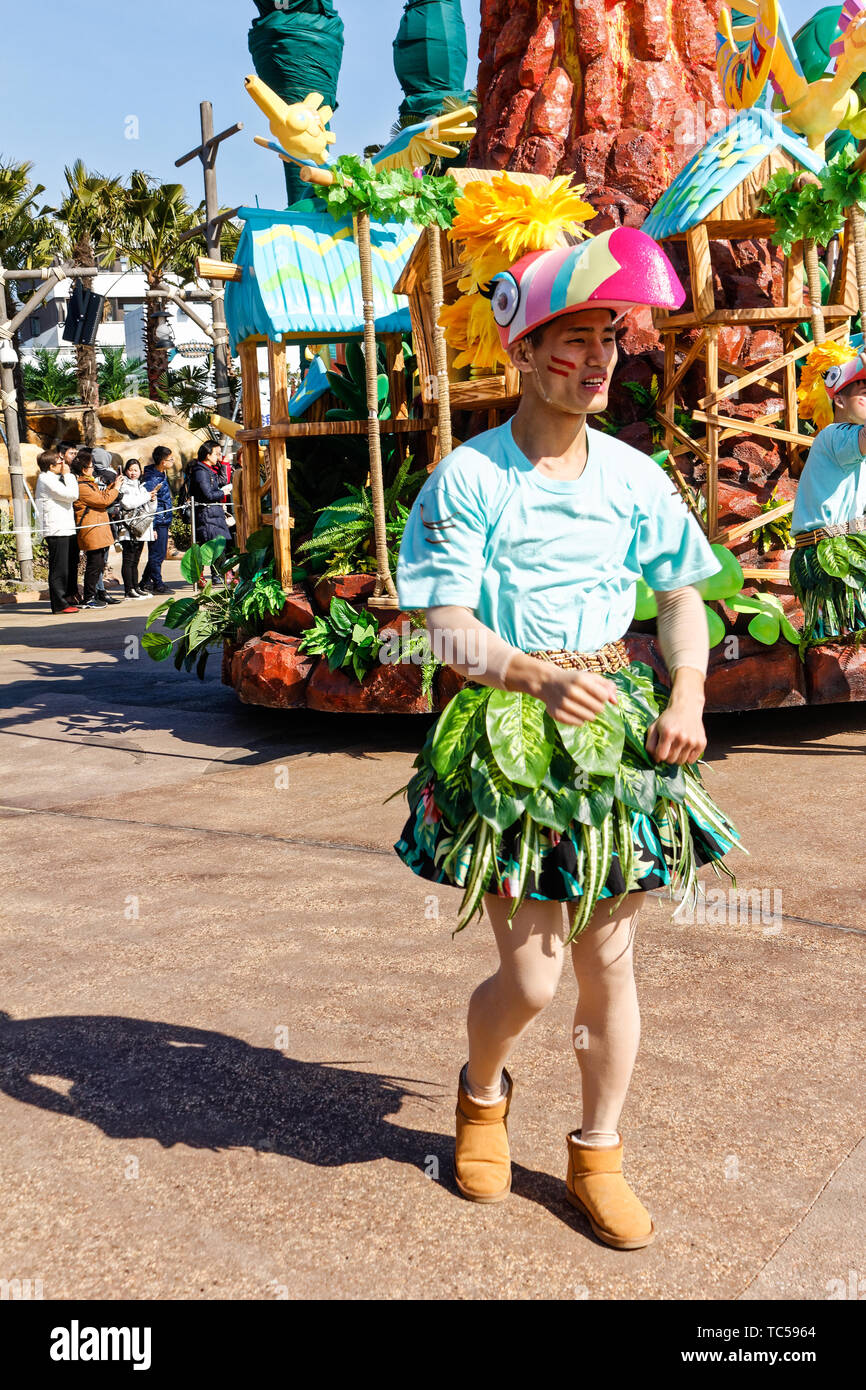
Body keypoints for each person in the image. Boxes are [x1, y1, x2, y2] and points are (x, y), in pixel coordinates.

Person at [394, 231, 743, 1249]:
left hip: (616, 728)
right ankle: (480, 1090)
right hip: (508, 729)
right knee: (536, 977)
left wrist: (685, 692)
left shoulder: (633, 477)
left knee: (610, 966)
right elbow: (445, 623)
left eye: (609, 340)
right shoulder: (468, 477)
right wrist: (531, 675)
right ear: (519, 350)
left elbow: (681, 596)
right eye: (573, 341)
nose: (598, 361)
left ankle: (596, 1152)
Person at [790, 353, 866, 646]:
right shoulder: (834, 435)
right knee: (837, 646)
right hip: (827, 555)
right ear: (840, 401)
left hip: (848, 547)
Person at [71, 453, 121, 608]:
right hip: (92, 530)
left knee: (98, 563)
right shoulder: (82, 486)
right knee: (94, 565)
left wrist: (114, 485)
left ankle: (92, 596)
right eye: (91, 466)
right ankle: (89, 597)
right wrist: (117, 489)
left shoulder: (89, 483)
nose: (94, 468)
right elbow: (102, 500)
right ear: (85, 469)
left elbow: (102, 495)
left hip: (98, 528)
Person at [35, 450, 79, 614]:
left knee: (66, 566)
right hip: (56, 529)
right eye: (60, 461)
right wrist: (69, 476)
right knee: (59, 568)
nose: (64, 463)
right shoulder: (46, 479)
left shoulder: (53, 478)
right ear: (51, 466)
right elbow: (73, 495)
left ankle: (65, 599)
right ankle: (59, 604)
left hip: (65, 528)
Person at [189, 441, 233, 581]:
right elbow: (208, 494)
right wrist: (223, 492)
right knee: (213, 546)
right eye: (216, 454)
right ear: (208, 455)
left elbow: (222, 479)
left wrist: (224, 464)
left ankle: (217, 574)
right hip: (207, 513)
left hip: (215, 513)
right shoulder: (200, 471)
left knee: (219, 545)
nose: (219, 456)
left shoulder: (209, 469)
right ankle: (214, 575)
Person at [115, 461, 157, 598]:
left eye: (136, 470)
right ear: (126, 471)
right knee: (128, 559)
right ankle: (128, 590)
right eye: (130, 470)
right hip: (128, 528)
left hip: (141, 528)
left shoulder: (142, 486)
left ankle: (136, 587)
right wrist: (146, 497)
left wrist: (152, 499)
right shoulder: (123, 485)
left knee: (136, 560)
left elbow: (150, 510)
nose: (133, 473)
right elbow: (128, 504)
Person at [139, 446, 175, 595]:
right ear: (162, 461)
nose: (172, 461)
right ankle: (157, 583)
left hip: (164, 519)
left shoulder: (161, 475)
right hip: (157, 520)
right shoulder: (152, 479)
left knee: (159, 553)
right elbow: (150, 503)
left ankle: (145, 582)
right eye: (170, 459)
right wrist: (152, 526)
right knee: (157, 554)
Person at [56, 443, 83, 602]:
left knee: (74, 559)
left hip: (76, 522)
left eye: (75, 453)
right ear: (61, 455)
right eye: (71, 453)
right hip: (62, 524)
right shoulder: (57, 476)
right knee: (64, 562)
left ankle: (73, 590)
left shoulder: (75, 472)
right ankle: (65, 595)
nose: (75, 456)